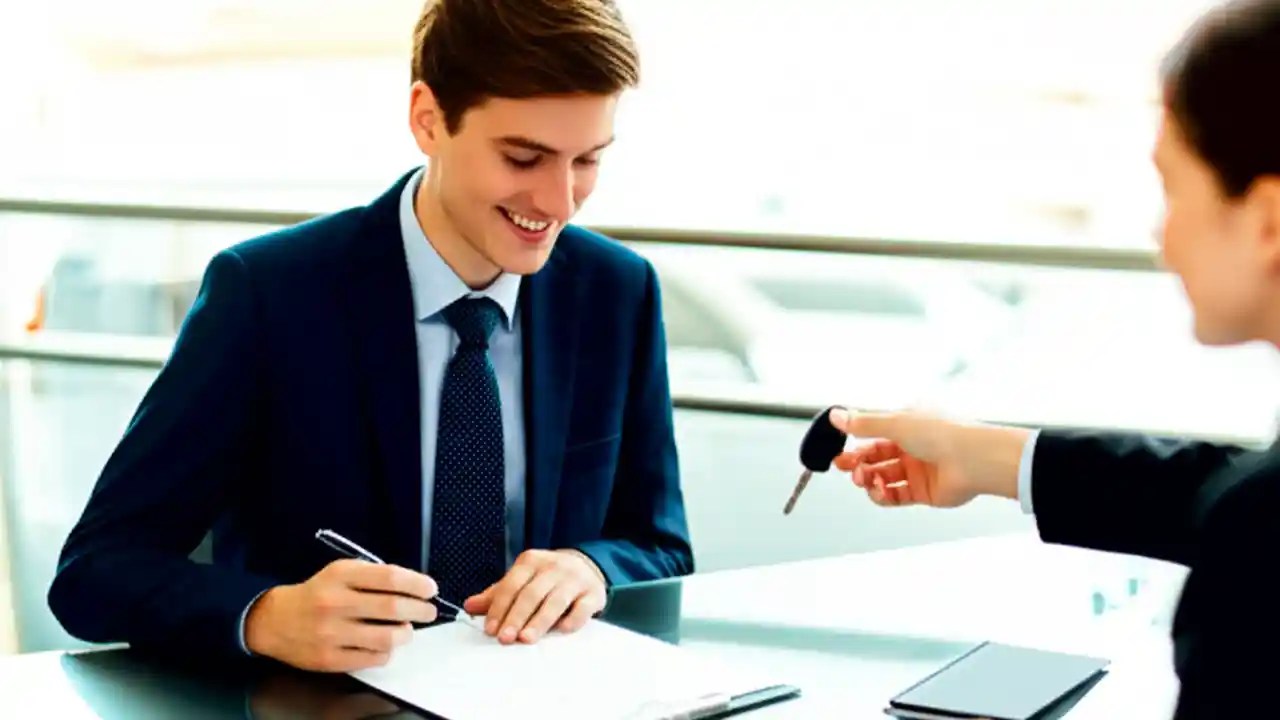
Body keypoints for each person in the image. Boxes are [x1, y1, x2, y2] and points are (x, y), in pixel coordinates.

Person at [48, 0, 692, 673]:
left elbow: (661, 544)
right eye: (524, 158)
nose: (561, 202)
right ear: (427, 119)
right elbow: (96, 571)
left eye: (586, 160)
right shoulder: (269, 294)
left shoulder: (618, 291)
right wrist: (265, 615)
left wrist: (592, 567)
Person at [822, 2, 1280, 717]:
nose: (1161, 237)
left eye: (1170, 187)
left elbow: (1247, 512)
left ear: (1267, 222)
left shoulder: (1255, 545)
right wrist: (987, 457)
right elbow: (1223, 487)